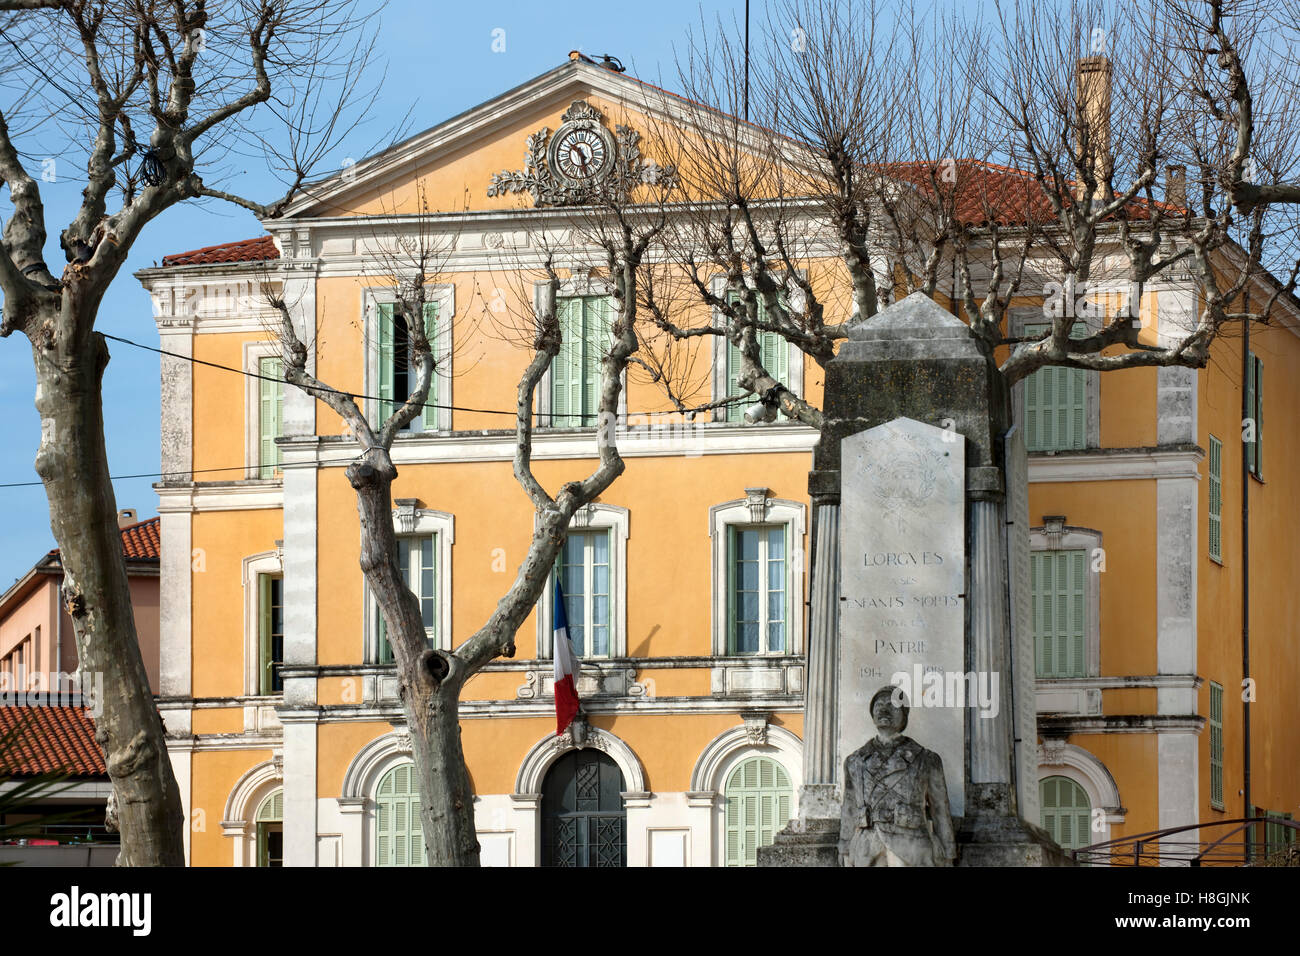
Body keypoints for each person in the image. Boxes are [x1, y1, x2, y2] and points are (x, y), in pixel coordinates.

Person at [839, 685, 957, 866]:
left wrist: (948, 852)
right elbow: (849, 807)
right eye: (879, 705)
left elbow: (940, 808)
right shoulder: (855, 761)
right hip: (868, 848)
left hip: (911, 845)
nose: (884, 709)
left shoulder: (926, 759)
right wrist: (845, 848)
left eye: (892, 705)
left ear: (904, 715)